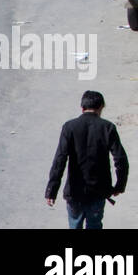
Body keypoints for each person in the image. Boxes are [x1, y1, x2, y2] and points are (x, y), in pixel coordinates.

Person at [45, 90, 128, 229]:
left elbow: (60, 160)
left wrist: (51, 191)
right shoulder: (107, 127)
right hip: (98, 191)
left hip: (74, 192)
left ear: (82, 108)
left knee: (74, 225)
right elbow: (120, 159)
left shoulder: (69, 127)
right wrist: (119, 186)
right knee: (95, 225)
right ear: (101, 107)